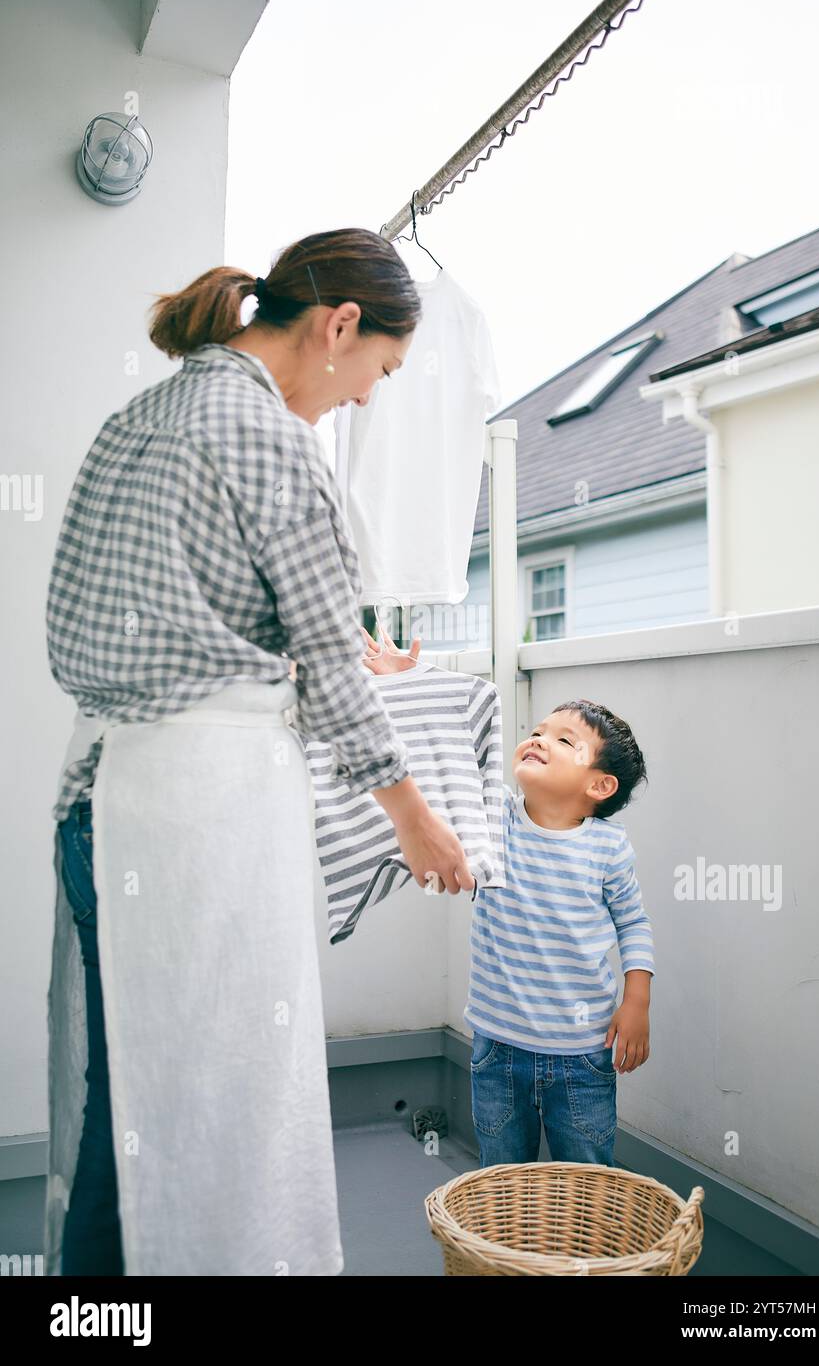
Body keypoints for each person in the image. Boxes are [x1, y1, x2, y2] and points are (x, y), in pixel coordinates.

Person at [44, 228, 474, 1277]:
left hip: (102, 801)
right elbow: (326, 675)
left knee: (130, 1101)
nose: (370, 397)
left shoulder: (136, 419)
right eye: (381, 368)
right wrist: (419, 822)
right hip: (197, 824)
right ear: (338, 327)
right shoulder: (272, 440)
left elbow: (135, 621)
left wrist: (311, 647)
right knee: (211, 1101)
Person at [363, 626, 654, 1168]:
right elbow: (441, 755)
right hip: (496, 1048)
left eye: (565, 740)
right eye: (539, 730)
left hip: (582, 1056)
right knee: (501, 1178)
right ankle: (503, 1254)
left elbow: (634, 926)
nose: (540, 738)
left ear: (599, 786)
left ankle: (583, 1254)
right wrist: (410, 682)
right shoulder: (493, 818)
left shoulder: (609, 850)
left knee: (586, 1177)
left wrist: (637, 1001)